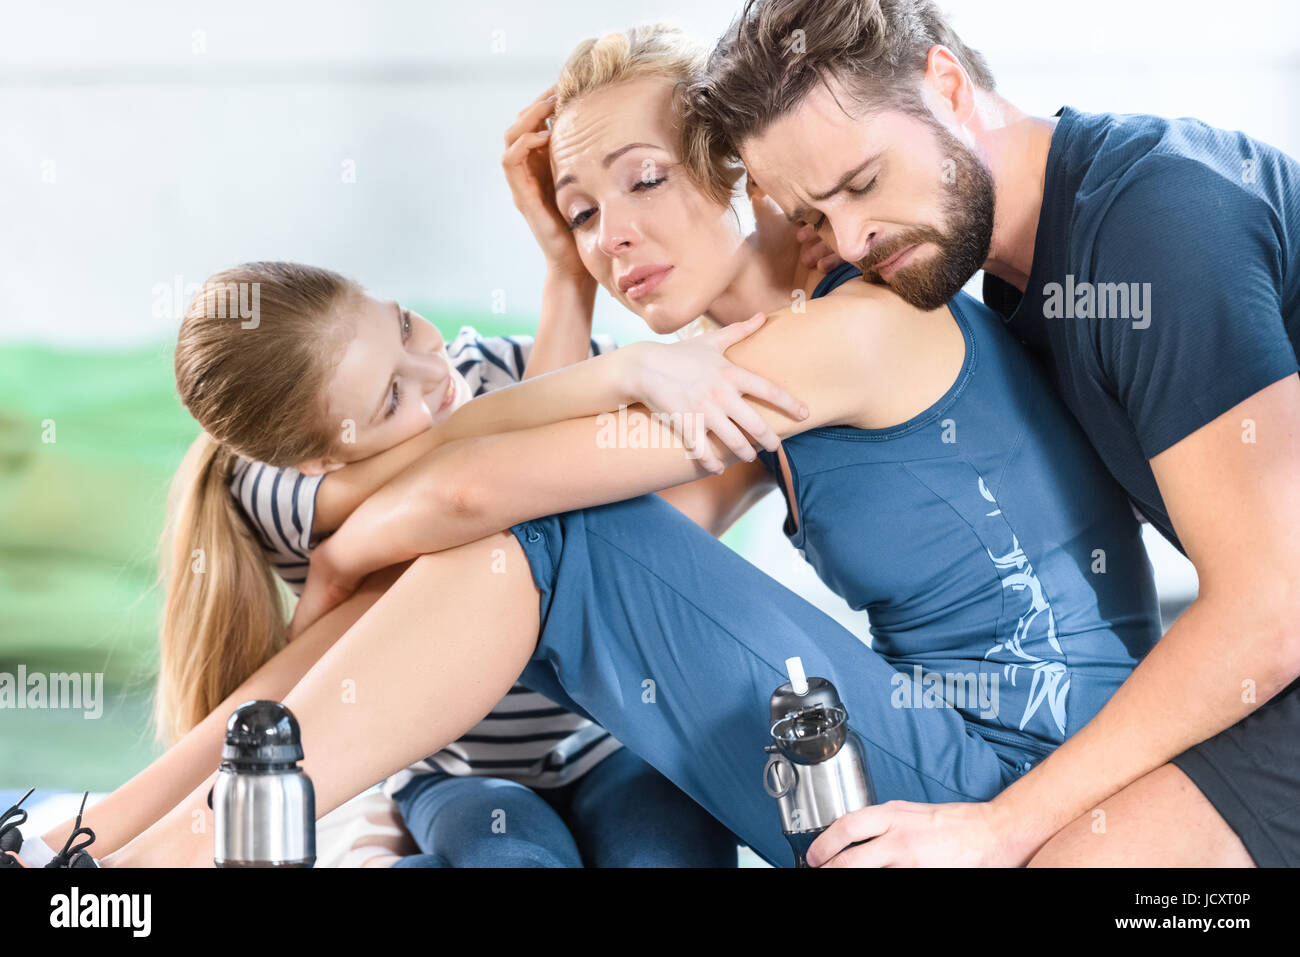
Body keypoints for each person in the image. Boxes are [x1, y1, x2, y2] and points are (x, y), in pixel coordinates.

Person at [7, 22, 1159, 869]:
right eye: (582, 213)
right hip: (942, 753)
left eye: (645, 182)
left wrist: (351, 556)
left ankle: (122, 860)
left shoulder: (848, 332)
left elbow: (481, 492)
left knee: (545, 527)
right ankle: (109, 838)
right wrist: (567, 299)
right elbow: (576, 556)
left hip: (1012, 781)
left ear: (742, 178)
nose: (615, 239)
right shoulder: (754, 377)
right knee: (546, 536)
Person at [689, 0, 1300, 866]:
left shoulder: (1153, 227)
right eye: (815, 216)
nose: (855, 239)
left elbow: (1272, 608)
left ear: (945, 85)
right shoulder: (1011, 284)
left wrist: (996, 826)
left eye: (863, 183)